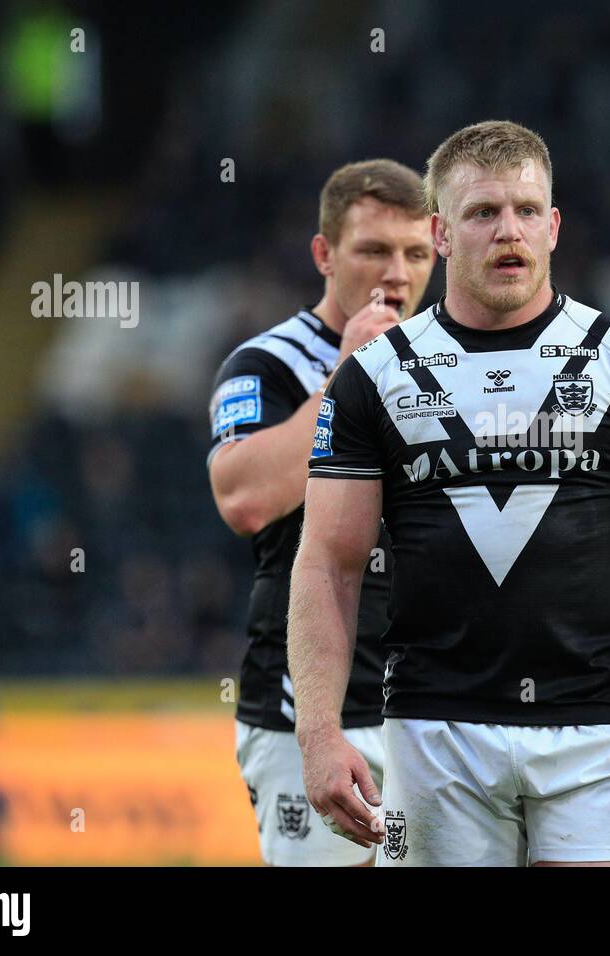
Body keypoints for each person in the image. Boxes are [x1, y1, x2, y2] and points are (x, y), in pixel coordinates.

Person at [289, 120, 610, 866]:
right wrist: (319, 732)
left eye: (527, 211)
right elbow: (328, 564)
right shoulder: (375, 375)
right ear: (440, 232)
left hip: (595, 731)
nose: (509, 232)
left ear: (554, 226)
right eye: (482, 213)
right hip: (433, 736)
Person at [207, 159, 435, 865]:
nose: (396, 272)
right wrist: (348, 378)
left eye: (416, 253)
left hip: (437, 706)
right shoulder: (267, 364)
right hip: (310, 709)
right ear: (324, 254)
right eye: (373, 250)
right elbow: (243, 498)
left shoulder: (451, 365)